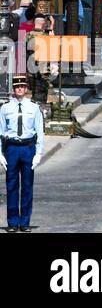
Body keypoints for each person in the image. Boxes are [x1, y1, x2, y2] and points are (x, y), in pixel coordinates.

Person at [1, 75, 45, 231]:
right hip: (12, 148)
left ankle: (25, 222)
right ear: (14, 90)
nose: (20, 89)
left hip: (27, 148)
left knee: (27, 187)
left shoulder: (34, 107)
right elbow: (0, 131)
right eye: (17, 87)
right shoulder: (5, 108)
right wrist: (0, 154)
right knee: (11, 186)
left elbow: (40, 131)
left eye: (22, 87)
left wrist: (38, 153)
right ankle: (12, 223)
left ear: (26, 89)